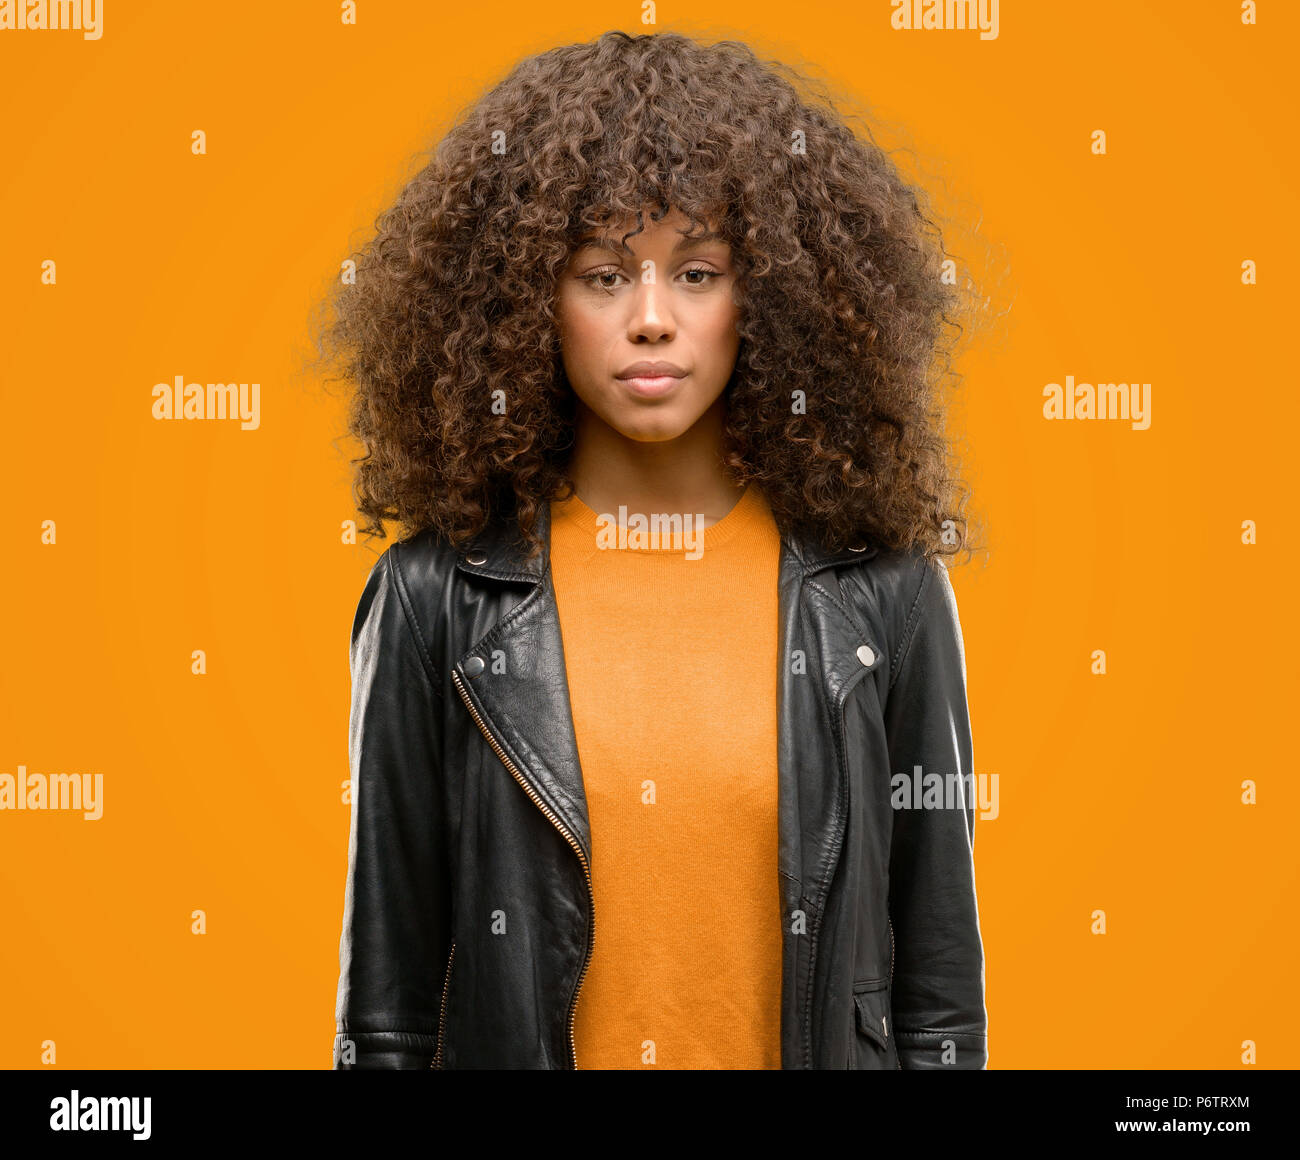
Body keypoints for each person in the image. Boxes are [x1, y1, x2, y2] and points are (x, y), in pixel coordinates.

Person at [318, 28, 988, 1070]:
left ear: (763, 297)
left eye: (697, 271)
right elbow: (390, 1018)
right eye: (599, 277)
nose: (649, 320)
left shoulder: (882, 591)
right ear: (523, 302)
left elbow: (937, 1003)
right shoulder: (435, 599)